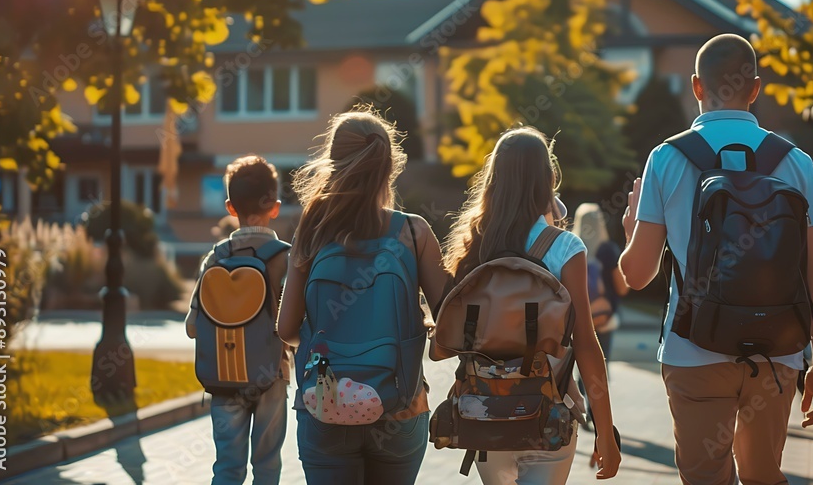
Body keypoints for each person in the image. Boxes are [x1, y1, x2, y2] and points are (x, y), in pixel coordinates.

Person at [618, 33, 813, 484]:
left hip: (694, 347)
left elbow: (637, 275)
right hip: (778, 351)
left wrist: (628, 231)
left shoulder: (666, 158)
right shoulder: (796, 162)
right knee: (762, 476)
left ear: (697, 86)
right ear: (755, 89)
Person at [275, 107, 448, 485]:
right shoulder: (414, 233)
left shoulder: (312, 231)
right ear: (389, 167)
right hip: (400, 407)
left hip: (326, 402)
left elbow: (286, 329)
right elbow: (450, 330)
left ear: (333, 164)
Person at [442, 127, 621, 483]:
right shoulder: (564, 247)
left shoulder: (474, 245)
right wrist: (605, 430)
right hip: (547, 411)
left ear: (494, 179)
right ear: (549, 180)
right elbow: (586, 342)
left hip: (484, 413)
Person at [185, 155, 290, 485]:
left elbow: (191, 326)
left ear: (230, 207)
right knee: (268, 465)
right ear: (275, 205)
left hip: (223, 377)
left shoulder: (216, 257)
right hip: (272, 376)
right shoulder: (287, 257)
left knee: (228, 467)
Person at [572, 203, 628, 428]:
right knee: (601, 364)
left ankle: (581, 407)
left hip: (576, 318)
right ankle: (596, 412)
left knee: (579, 363)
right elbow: (622, 288)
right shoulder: (608, 250)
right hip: (604, 318)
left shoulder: (570, 247)